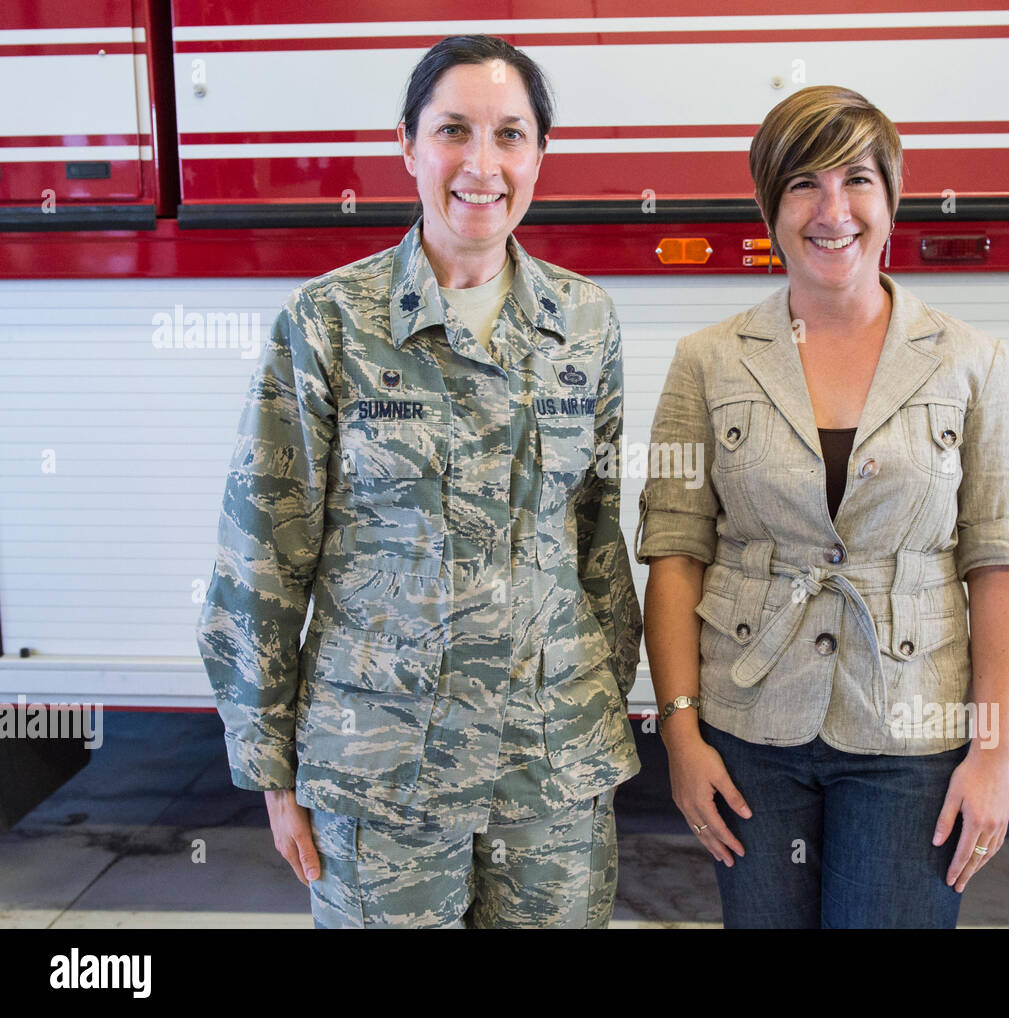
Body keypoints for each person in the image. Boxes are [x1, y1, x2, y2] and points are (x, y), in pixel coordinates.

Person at [196, 34, 641, 928]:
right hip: (378, 774)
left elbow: (598, 546)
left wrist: (600, 718)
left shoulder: (586, 322)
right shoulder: (327, 323)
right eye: (454, 131)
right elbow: (263, 561)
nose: (483, 164)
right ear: (407, 146)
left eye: (511, 135)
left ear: (541, 156)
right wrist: (274, 772)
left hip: (550, 772)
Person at [635, 85, 1009, 929]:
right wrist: (680, 739)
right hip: (750, 731)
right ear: (768, 206)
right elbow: (676, 556)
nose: (833, 210)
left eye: (856, 180)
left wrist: (993, 755)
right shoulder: (707, 362)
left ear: (892, 200)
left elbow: (998, 566)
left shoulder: (972, 362)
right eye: (802, 185)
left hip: (913, 734)